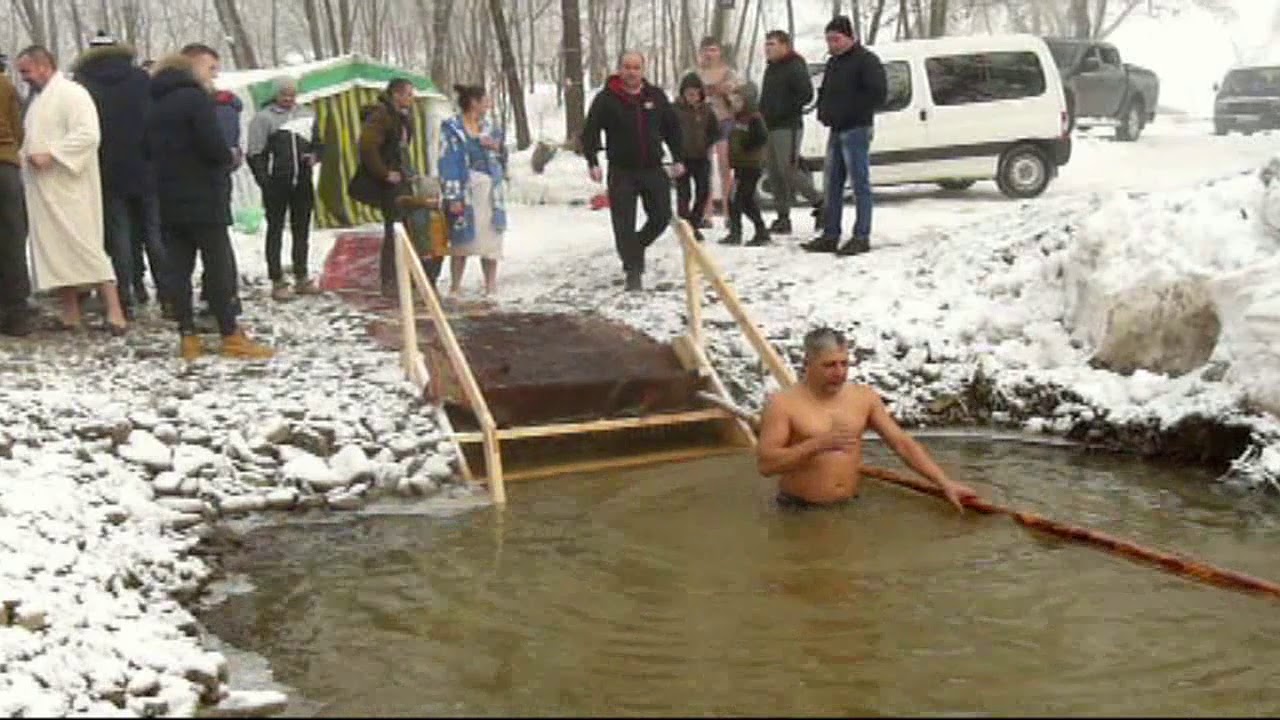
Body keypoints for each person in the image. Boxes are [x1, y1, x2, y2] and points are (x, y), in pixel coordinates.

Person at [756, 327, 977, 510]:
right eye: (830, 365)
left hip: (849, 505)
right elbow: (766, 464)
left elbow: (901, 443)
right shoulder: (783, 404)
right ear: (808, 363)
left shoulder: (863, 398)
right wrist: (816, 445)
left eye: (844, 364)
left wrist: (944, 483)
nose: (839, 372)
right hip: (800, 509)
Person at [147, 43, 273, 360]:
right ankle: (230, 333)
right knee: (218, 264)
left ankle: (187, 336)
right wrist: (228, 157)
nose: (214, 76)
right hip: (205, 194)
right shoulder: (195, 99)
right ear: (191, 67)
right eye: (210, 69)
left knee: (179, 267)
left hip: (168, 196)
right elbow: (212, 145)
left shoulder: (152, 101)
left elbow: (145, 149)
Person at [15, 46, 128, 334]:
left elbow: (88, 134)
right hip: (44, 189)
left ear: (43, 66)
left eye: (26, 71)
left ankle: (115, 312)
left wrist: (52, 154)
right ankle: (70, 313)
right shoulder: (39, 101)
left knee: (85, 246)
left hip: (70, 187)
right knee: (55, 251)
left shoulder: (72, 94)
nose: (24, 78)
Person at [73, 32, 173, 319]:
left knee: (119, 239)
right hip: (145, 168)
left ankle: (124, 298)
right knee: (155, 235)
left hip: (107, 171)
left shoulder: (82, 84)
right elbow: (154, 120)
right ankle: (168, 296)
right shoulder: (141, 79)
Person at [581, 51, 684, 292]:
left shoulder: (656, 96)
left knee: (661, 216)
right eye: (626, 67)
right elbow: (590, 132)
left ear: (643, 70)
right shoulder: (606, 99)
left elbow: (673, 129)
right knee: (623, 223)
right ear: (620, 69)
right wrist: (592, 160)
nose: (631, 72)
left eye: (636, 67)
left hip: (652, 168)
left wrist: (678, 157)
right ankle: (633, 272)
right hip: (622, 170)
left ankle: (635, 248)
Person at [804, 15, 886, 257]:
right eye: (828, 40)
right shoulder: (833, 63)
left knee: (860, 184)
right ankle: (831, 234)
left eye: (836, 39)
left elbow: (878, 93)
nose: (832, 44)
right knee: (832, 185)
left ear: (850, 37)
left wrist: (852, 111)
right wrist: (824, 112)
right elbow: (826, 91)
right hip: (836, 129)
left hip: (857, 128)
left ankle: (861, 235)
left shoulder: (867, 61)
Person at [247, 76, 323, 301]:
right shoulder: (263, 119)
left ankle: (302, 275)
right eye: (284, 95)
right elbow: (255, 154)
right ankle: (277, 279)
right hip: (276, 183)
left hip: (303, 181)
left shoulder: (307, 115)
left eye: (292, 94)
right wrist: (265, 181)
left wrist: (315, 156)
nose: (289, 99)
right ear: (275, 95)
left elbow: (319, 144)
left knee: (302, 230)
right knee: (275, 230)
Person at [349, 77, 418, 297]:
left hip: (401, 176)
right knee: (395, 228)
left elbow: (403, 146)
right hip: (389, 181)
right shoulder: (382, 115)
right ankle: (390, 281)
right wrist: (384, 173)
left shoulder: (403, 116)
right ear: (396, 94)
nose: (411, 98)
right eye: (408, 94)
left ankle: (405, 275)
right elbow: (367, 146)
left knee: (405, 226)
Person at [439, 84, 507, 297]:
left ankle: (491, 285)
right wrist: (453, 195)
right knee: (462, 239)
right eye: (485, 100)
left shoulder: (490, 127)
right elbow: (447, 161)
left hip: (491, 189)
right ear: (474, 102)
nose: (488, 104)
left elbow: (503, 157)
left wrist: (497, 148)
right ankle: (455, 286)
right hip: (467, 188)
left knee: (491, 240)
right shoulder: (452, 128)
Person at [759, 29, 824, 236]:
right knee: (774, 172)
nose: (768, 48)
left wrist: (784, 109)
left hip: (788, 125)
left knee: (789, 169)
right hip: (769, 126)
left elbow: (806, 94)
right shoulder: (771, 69)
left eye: (772, 44)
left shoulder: (795, 65)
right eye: (766, 44)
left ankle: (821, 204)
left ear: (785, 45)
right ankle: (782, 216)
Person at [688, 37, 741, 228]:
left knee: (725, 169)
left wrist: (726, 92)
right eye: (706, 50)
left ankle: (730, 214)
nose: (709, 54)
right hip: (701, 124)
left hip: (724, 122)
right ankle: (706, 213)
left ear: (720, 52)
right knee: (704, 170)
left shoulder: (729, 73)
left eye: (713, 50)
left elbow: (739, 101)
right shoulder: (694, 74)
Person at [0, 59, 31, 336]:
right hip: (5, 167)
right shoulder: (7, 86)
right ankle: (17, 312)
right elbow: (20, 130)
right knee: (12, 239)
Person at [672, 72, 719, 242]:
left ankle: (694, 222)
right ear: (683, 93)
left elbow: (715, 131)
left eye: (695, 93)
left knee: (703, 191)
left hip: (701, 157)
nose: (692, 97)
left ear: (701, 94)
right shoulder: (674, 110)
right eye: (689, 93)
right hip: (682, 158)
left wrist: (709, 145)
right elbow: (666, 131)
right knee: (684, 194)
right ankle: (685, 226)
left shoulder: (707, 110)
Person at [719, 89, 770, 247]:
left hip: (750, 166)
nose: (735, 105)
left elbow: (761, 136)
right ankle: (756, 230)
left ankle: (739, 232)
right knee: (743, 199)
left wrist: (746, 146)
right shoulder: (737, 119)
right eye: (734, 102)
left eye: (738, 101)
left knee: (736, 199)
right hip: (741, 166)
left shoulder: (753, 118)